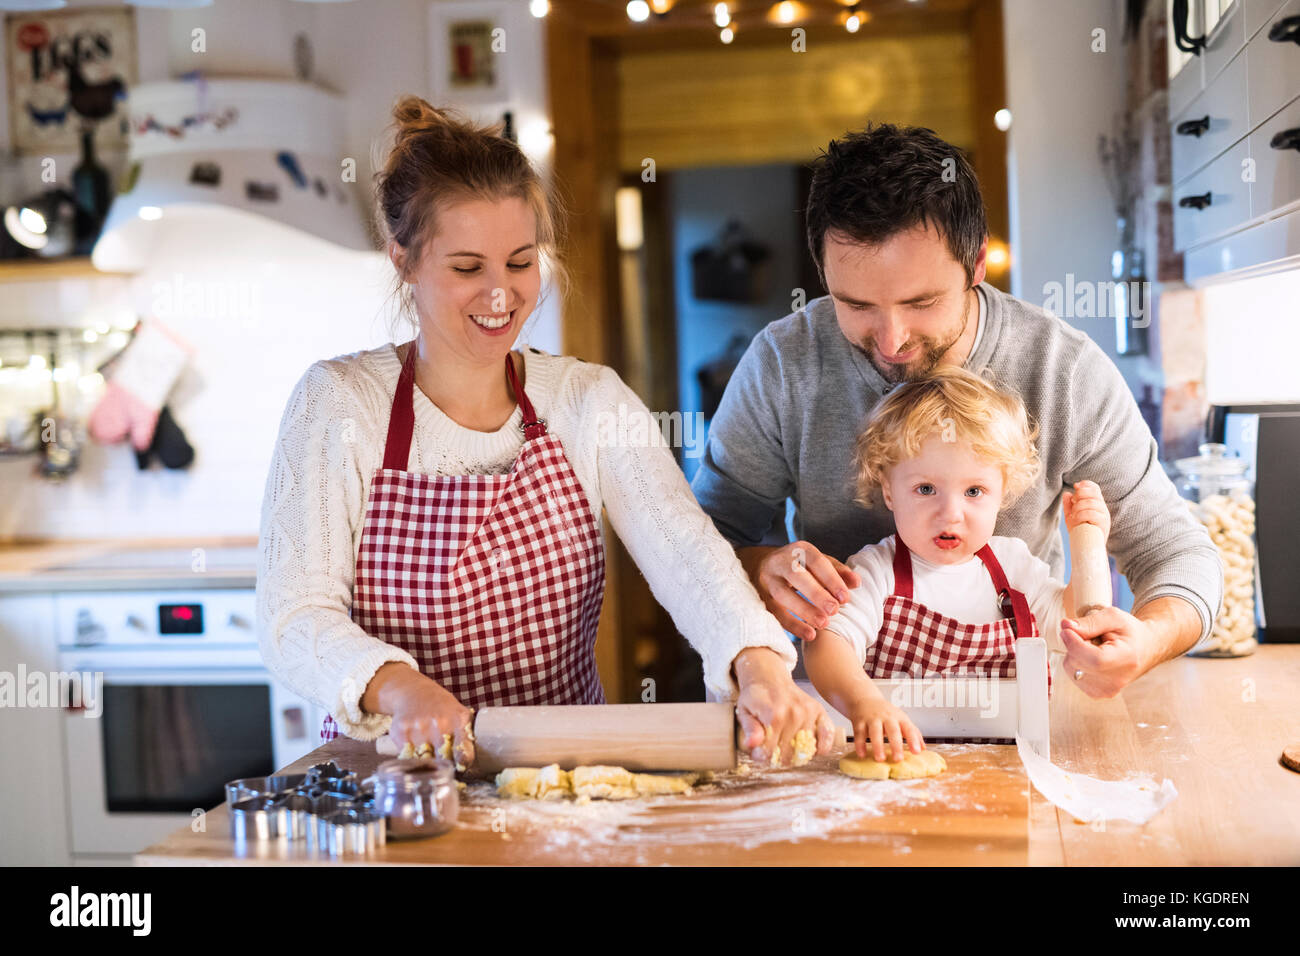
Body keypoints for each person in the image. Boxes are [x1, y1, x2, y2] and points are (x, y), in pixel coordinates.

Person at [255, 97, 836, 768]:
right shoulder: (339, 405)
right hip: (394, 780)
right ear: (404, 261)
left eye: (520, 263)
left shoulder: (587, 400)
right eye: (467, 268)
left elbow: (688, 553)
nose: (500, 294)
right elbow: (294, 618)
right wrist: (402, 689)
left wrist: (758, 665)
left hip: (563, 778)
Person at [691, 123, 1222, 700]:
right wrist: (764, 568)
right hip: (842, 717)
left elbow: (1176, 552)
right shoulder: (781, 364)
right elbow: (699, 546)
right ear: (824, 274)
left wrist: (1147, 642)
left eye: (921, 302)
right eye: (857, 304)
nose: (892, 340)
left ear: (975, 266)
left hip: (1020, 715)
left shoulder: (1062, 370)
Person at [803, 366, 1111, 760]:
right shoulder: (876, 572)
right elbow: (827, 646)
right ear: (889, 490)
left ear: (1003, 493)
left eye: (974, 491)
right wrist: (864, 703)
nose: (950, 514)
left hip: (1006, 768)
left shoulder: (1014, 568)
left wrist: (1089, 539)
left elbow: (1077, 625)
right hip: (894, 759)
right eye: (926, 489)